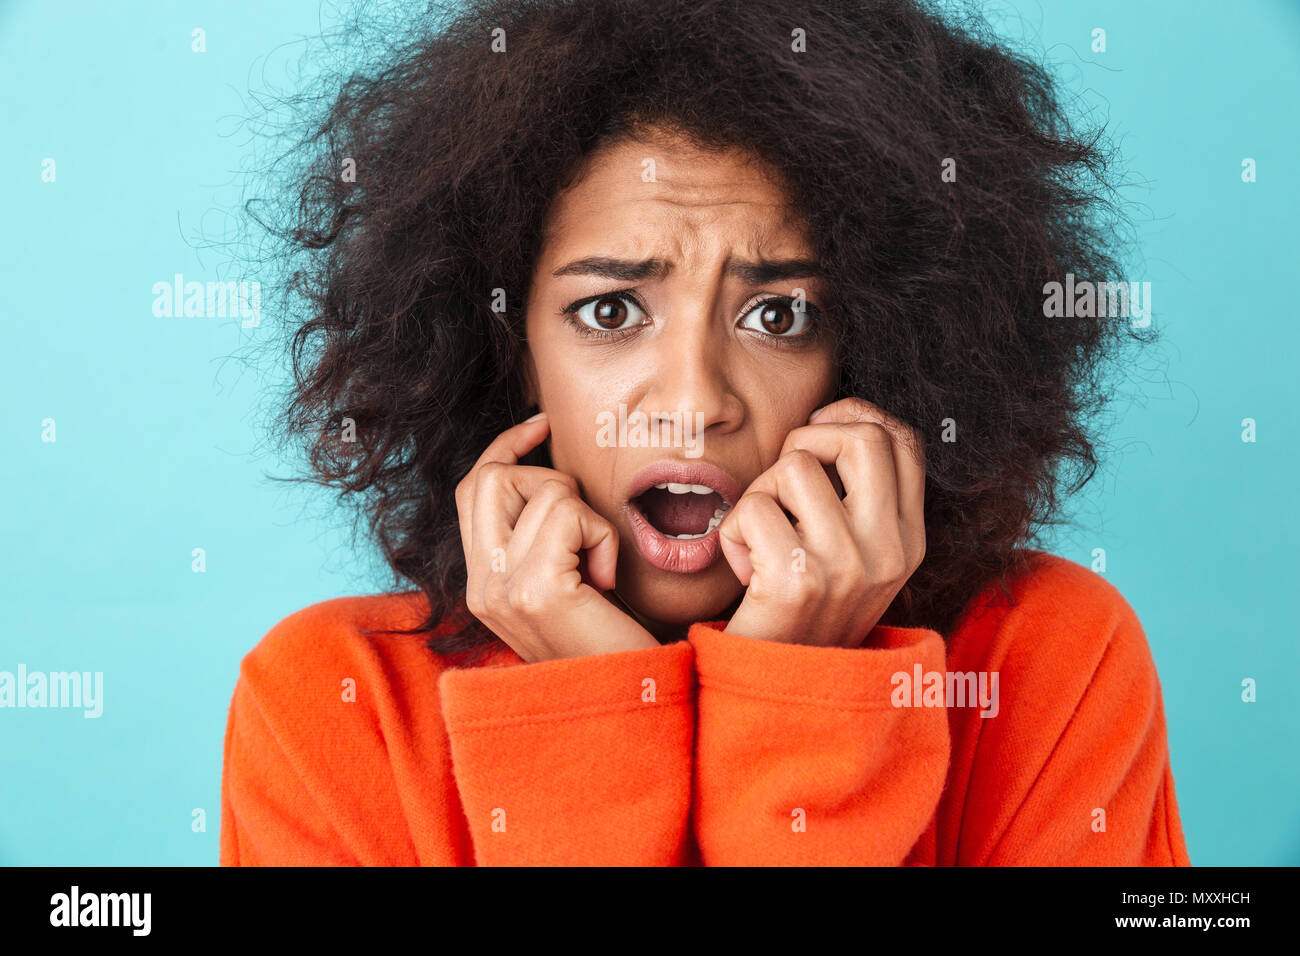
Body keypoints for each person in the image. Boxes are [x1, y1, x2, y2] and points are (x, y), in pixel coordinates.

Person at [220, 0, 1190, 865]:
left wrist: (804, 697)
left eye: (777, 316)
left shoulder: (1040, 663)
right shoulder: (333, 705)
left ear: (873, 357)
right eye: (609, 312)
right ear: (510, 351)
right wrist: (591, 715)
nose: (693, 398)